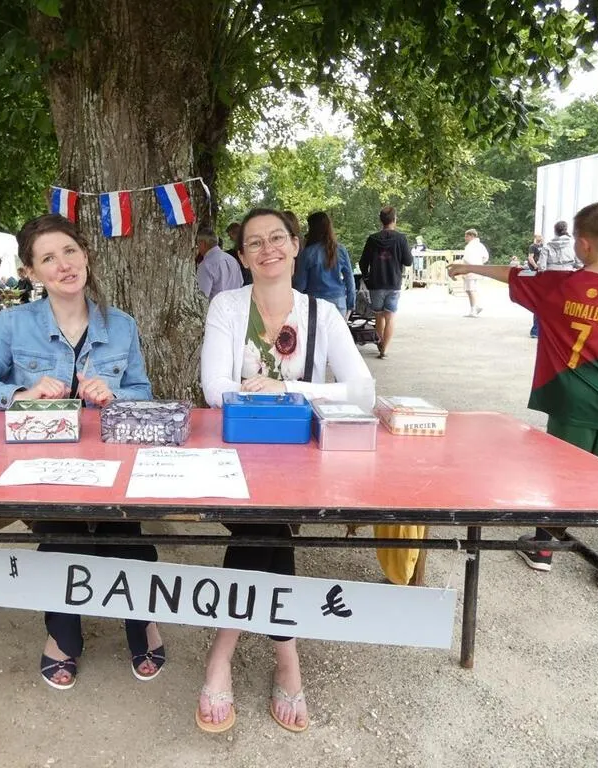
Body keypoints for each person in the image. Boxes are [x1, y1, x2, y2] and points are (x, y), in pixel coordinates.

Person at [0, 213, 160, 692]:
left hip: (112, 459)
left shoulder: (121, 325)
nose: (63, 265)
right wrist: (18, 393)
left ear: (86, 256)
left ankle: (138, 621)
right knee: (62, 528)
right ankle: (65, 636)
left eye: (70, 252)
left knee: (124, 528)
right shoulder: (12, 324)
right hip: (43, 459)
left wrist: (116, 395)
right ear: (31, 272)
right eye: (48, 258)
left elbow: (144, 393)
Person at [198, 207, 374, 735]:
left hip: (299, 460)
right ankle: (285, 658)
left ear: (296, 246)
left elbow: (363, 391)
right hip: (236, 456)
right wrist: (295, 392)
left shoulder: (322, 313)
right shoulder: (227, 308)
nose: (267, 248)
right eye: (254, 242)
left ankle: (222, 653)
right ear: (242, 254)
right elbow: (213, 390)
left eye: (278, 238)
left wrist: (288, 388)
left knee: (263, 528)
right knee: (266, 529)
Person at [449, 200, 598, 586]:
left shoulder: (558, 286)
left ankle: (543, 548)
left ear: (583, 245)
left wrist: (471, 267)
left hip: (569, 405)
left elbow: (514, 275)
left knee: (560, 476)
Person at [360, 206, 413, 359]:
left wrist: (367, 276)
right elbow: (408, 261)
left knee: (378, 316)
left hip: (376, 283)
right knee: (390, 317)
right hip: (394, 283)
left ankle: (380, 343)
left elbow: (363, 262)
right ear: (394, 219)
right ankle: (384, 350)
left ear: (381, 220)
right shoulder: (401, 239)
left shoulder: (372, 239)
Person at [292, 211, 355, 317]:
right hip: (339, 301)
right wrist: (350, 304)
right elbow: (350, 280)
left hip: (315, 303)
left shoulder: (307, 253)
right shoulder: (340, 250)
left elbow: (300, 285)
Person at [196, 228, 243, 301]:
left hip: (216, 309)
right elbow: (241, 284)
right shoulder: (232, 260)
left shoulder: (206, 265)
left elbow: (202, 296)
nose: (197, 248)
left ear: (203, 244)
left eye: (197, 244)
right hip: (235, 307)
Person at [461, 228, 489, 317]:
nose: (465, 238)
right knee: (471, 289)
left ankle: (474, 308)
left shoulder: (470, 246)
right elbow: (486, 257)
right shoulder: (481, 245)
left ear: (471, 236)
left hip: (470, 268)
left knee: (471, 289)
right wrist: (480, 263)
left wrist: (468, 265)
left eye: (467, 236)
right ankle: (474, 307)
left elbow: (466, 258)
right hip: (477, 268)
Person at [527, 234, 544, 337]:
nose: (541, 239)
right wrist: (536, 266)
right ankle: (535, 331)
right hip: (535, 270)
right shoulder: (533, 246)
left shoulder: (543, 246)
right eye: (539, 237)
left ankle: (537, 330)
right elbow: (530, 258)